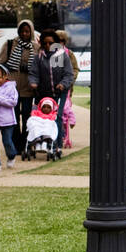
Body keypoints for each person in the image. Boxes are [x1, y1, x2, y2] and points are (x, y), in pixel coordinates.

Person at [30, 28, 75, 157]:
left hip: (58, 93)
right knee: (40, 117)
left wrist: (63, 84)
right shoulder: (39, 57)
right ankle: (40, 142)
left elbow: (68, 74)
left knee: (57, 117)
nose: (48, 46)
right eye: (45, 43)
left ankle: (57, 145)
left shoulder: (62, 56)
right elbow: (34, 73)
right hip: (43, 93)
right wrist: (33, 82)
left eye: (50, 43)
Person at [0, 20, 38, 151]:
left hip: (28, 88)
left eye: (27, 31)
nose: (24, 34)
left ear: (31, 32)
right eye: (22, 31)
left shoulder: (36, 47)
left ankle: (26, 143)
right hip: (11, 88)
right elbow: (0, 63)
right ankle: (15, 143)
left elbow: (39, 66)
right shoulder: (10, 45)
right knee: (13, 117)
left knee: (27, 116)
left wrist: (30, 68)